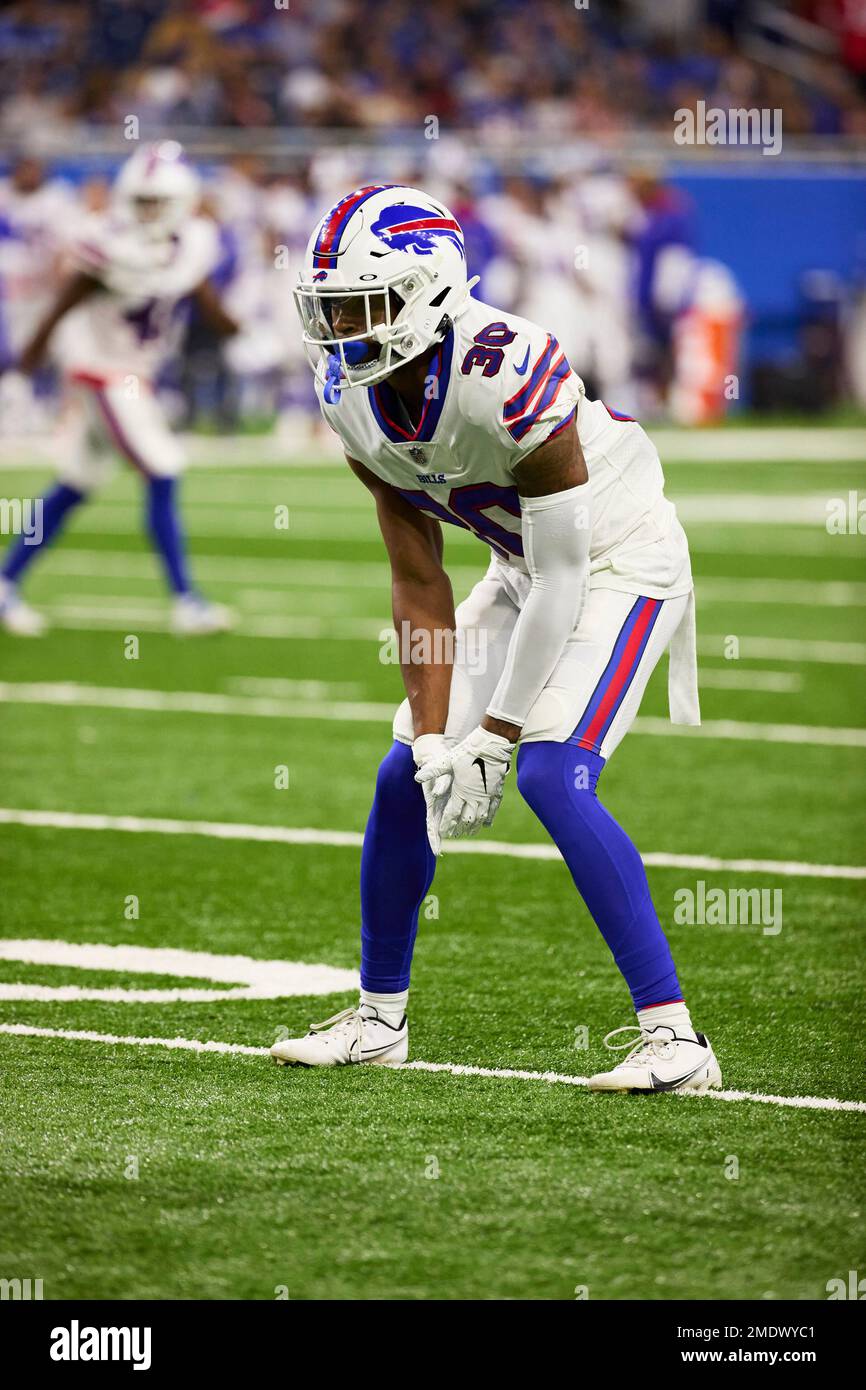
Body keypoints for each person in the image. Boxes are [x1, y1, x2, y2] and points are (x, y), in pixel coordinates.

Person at [271, 184, 720, 1094]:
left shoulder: (507, 369)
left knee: (552, 768)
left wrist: (498, 734)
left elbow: (567, 572)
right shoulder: (349, 398)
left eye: (363, 301)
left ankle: (676, 1040)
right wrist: (440, 738)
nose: (342, 325)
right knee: (405, 773)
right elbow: (418, 577)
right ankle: (379, 1020)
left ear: (428, 289)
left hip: (618, 559)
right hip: (523, 568)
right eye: (332, 303)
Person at [0, 141, 236, 636]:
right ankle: (186, 601)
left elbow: (198, 292)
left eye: (158, 201)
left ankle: (5, 583)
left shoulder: (194, 239)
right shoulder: (107, 241)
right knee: (164, 467)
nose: (148, 210)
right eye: (142, 200)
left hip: (134, 374)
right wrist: (23, 368)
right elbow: (61, 305)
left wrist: (236, 330)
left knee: (75, 483)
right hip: (102, 372)